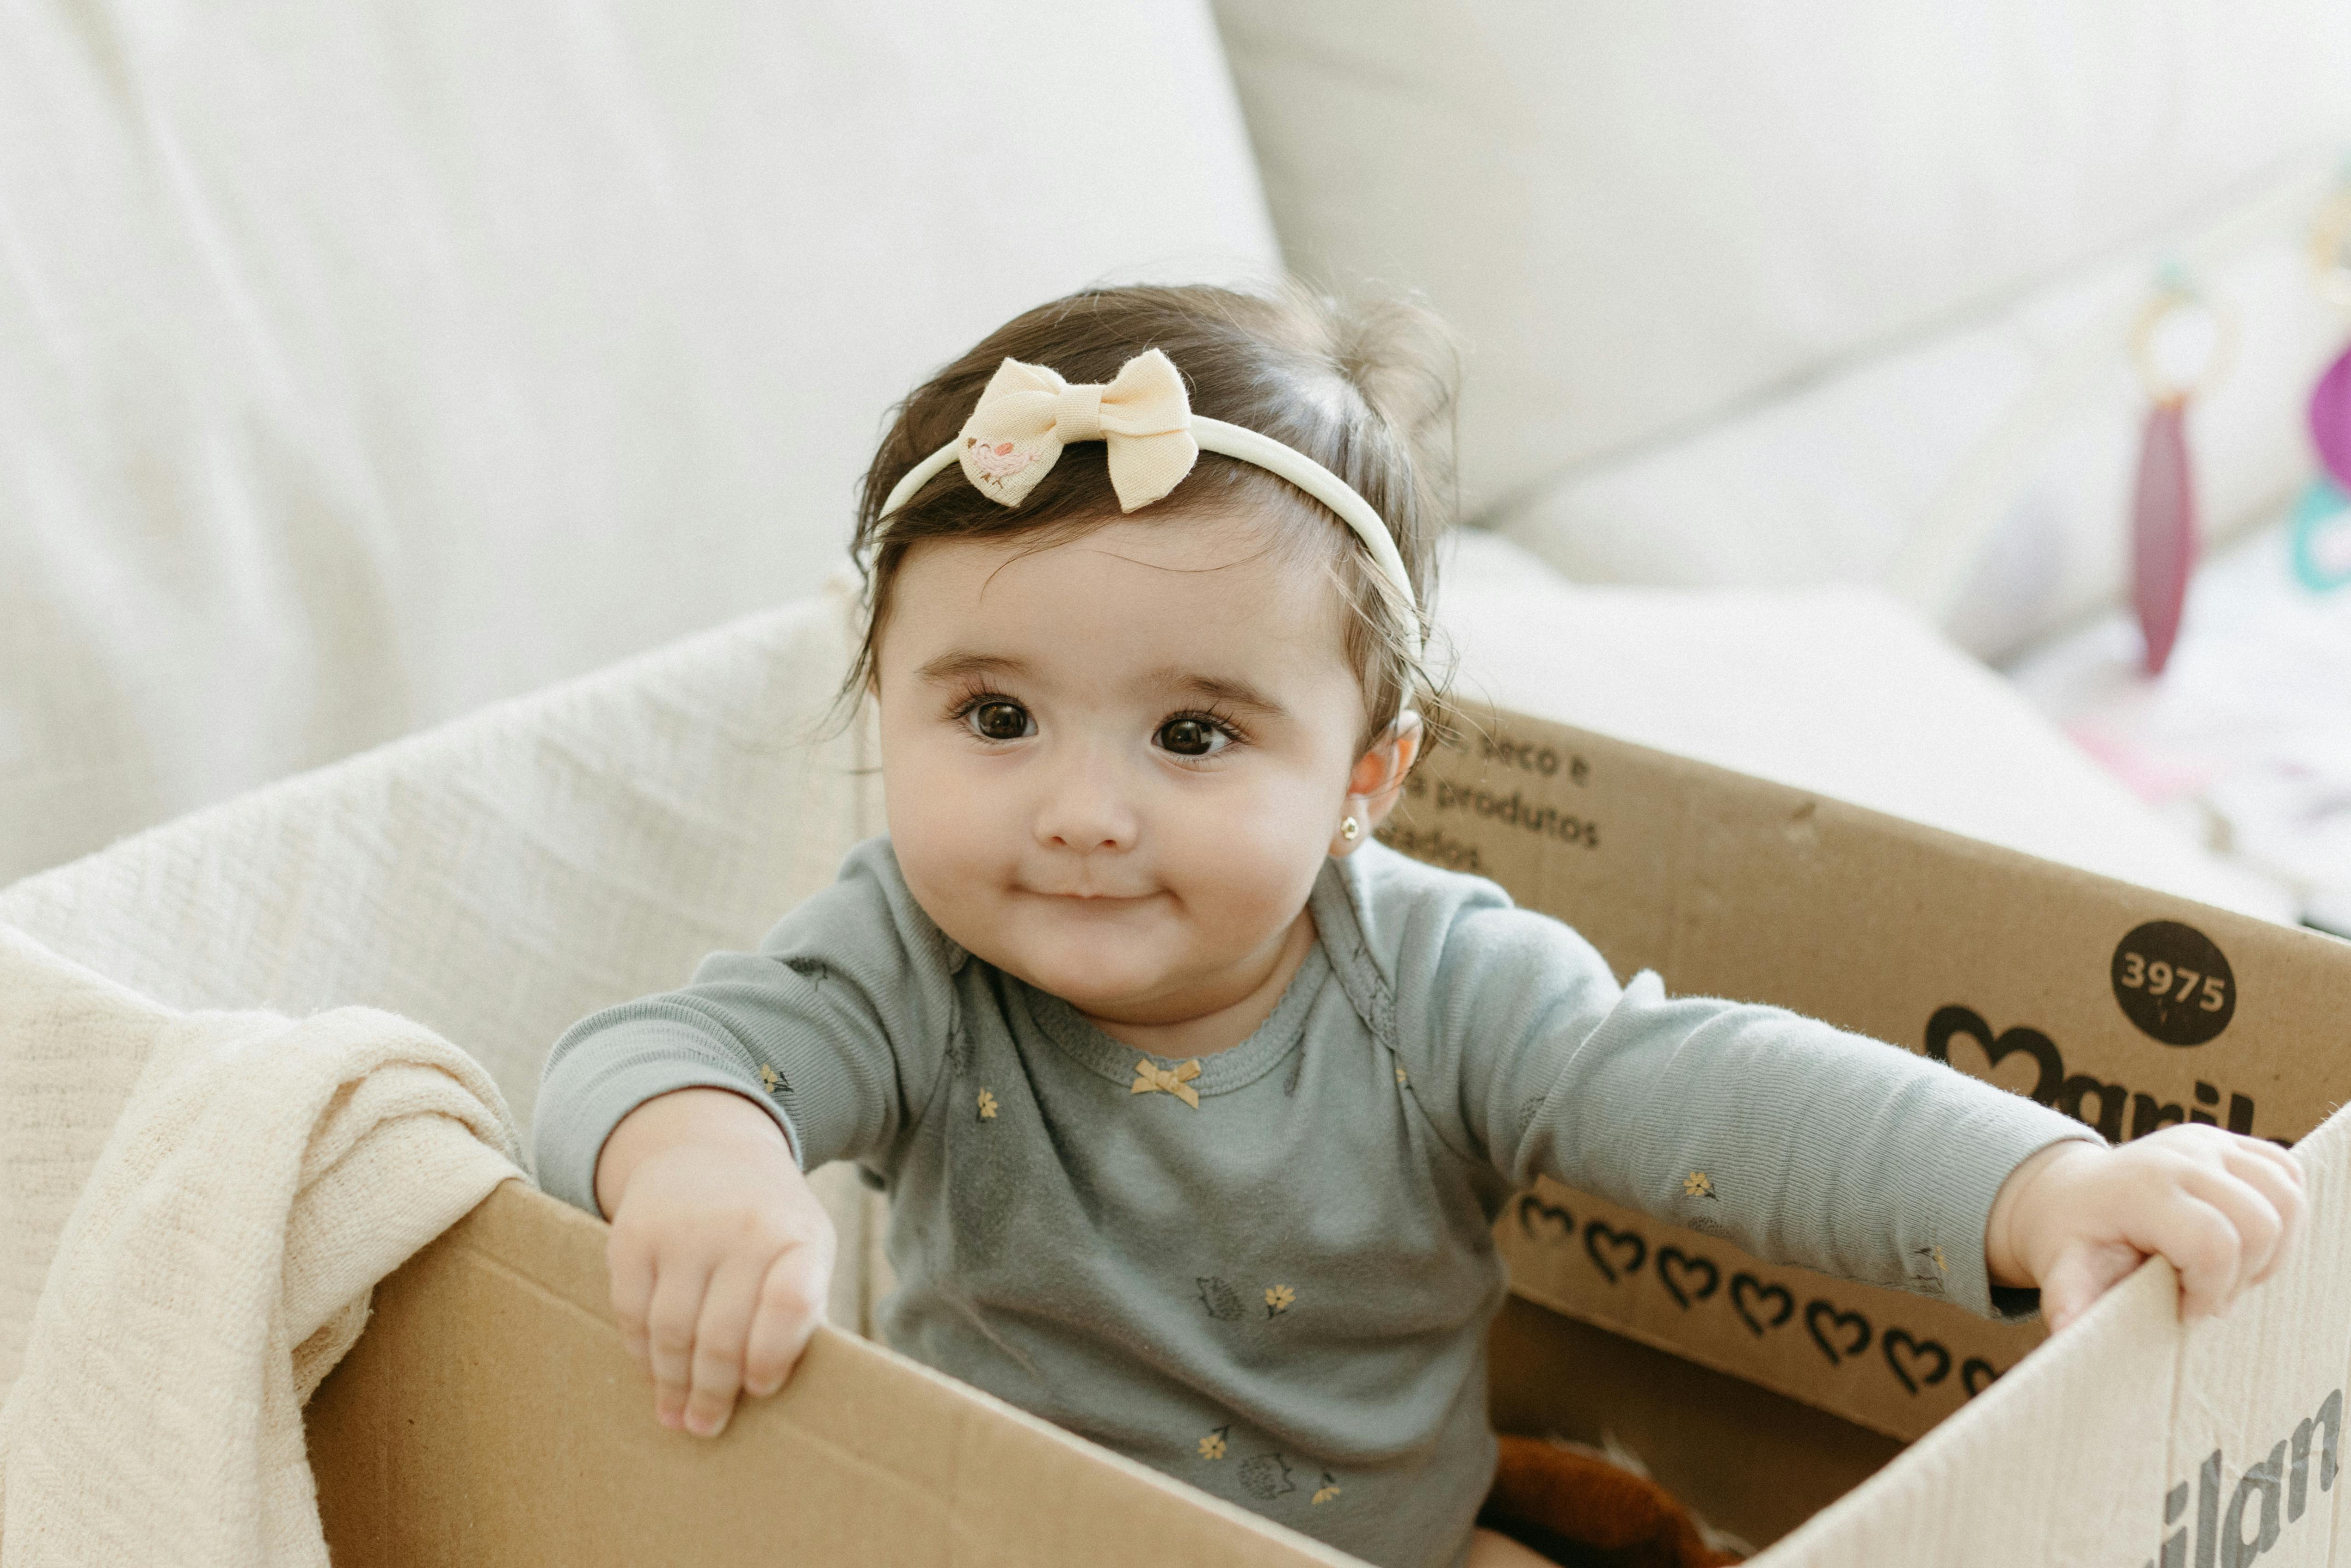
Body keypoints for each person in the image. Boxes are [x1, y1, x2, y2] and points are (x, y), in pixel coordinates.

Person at [533, 284, 2306, 1568]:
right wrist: (703, 1158)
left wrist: (2038, 1187)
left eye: (1196, 735)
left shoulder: (1436, 985)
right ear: (885, 708)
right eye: (994, 717)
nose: (1080, 809)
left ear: (1368, 773)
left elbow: (1716, 1099)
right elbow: (654, 1052)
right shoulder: (910, 963)